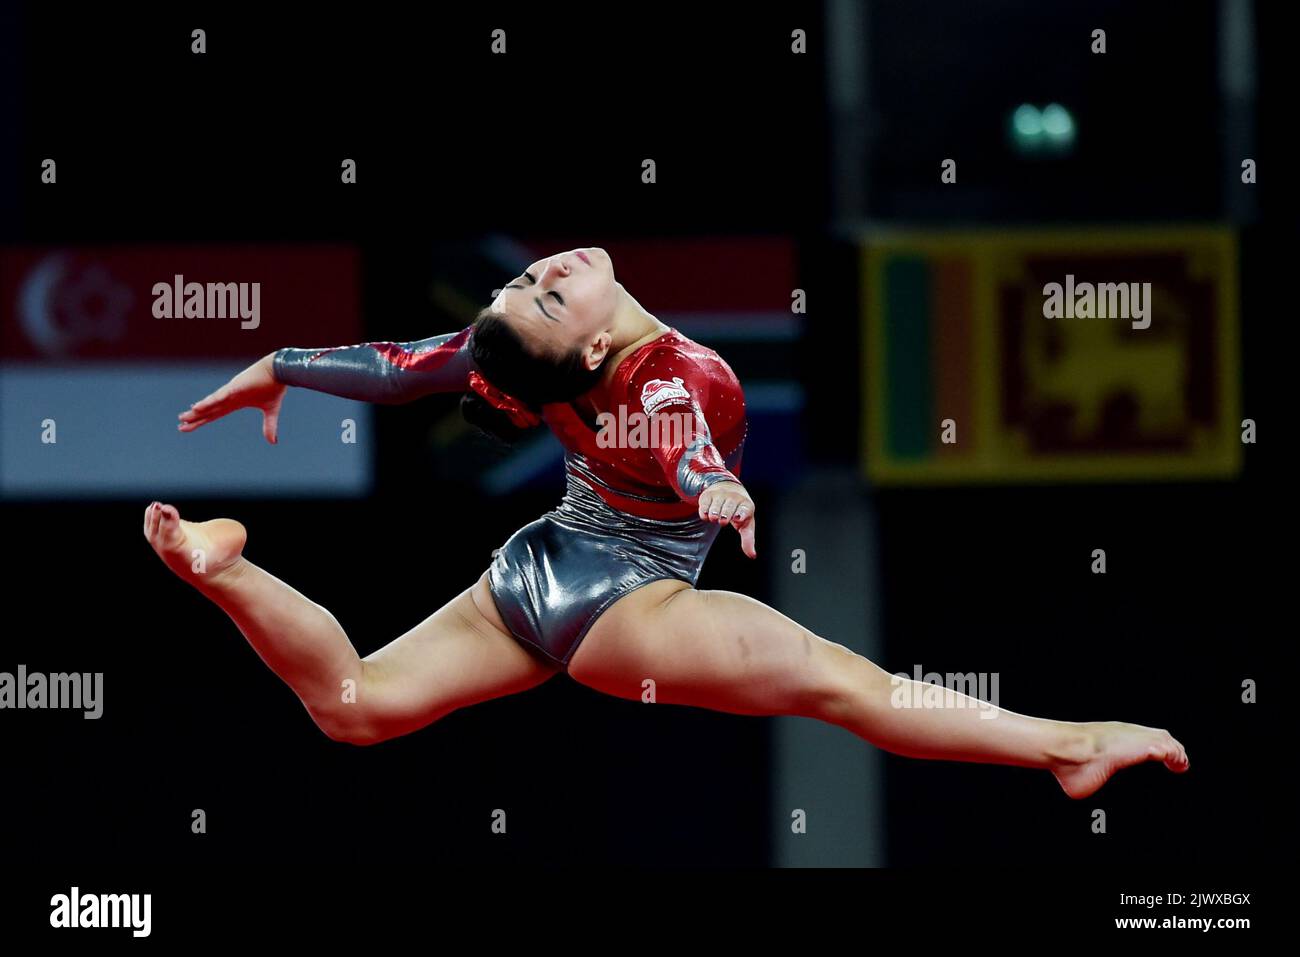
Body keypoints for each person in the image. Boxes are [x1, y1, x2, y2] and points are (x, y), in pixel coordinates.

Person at [146, 246, 1188, 800]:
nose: (545, 272)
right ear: (586, 351)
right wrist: (713, 490)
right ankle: (1070, 741)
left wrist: (277, 368)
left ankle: (218, 571)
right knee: (843, 686)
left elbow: (393, 371)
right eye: (539, 292)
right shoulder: (681, 369)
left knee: (353, 705)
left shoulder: (541, 357)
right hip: (623, 607)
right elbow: (676, 427)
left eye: (531, 279)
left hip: (534, 572)